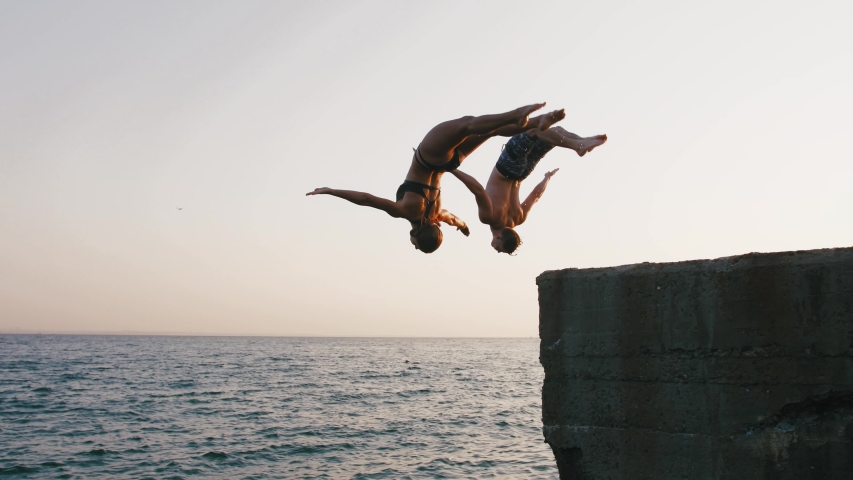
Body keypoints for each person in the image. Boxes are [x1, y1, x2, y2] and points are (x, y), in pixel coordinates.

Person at [306, 103, 566, 253]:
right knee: (468, 124)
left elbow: (456, 220)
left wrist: (464, 228)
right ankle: (519, 117)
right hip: (429, 156)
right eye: (416, 245)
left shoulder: (438, 215)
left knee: (488, 131)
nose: (413, 244)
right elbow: (367, 199)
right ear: (417, 237)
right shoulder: (406, 211)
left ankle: (535, 123)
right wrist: (331, 191)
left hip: (450, 163)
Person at [450, 126, 607, 254]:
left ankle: (581, 141)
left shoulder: (519, 218)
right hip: (508, 166)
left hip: (523, 172)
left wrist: (546, 178)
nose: (497, 251)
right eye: (500, 249)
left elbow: (535, 195)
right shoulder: (488, 218)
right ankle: (578, 145)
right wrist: (451, 168)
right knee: (534, 130)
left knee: (555, 131)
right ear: (499, 238)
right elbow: (477, 189)